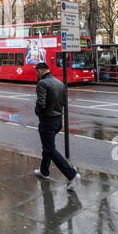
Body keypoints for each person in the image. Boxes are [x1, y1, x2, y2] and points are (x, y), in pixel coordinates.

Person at [34, 62, 80, 191]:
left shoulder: (42, 83)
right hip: (58, 121)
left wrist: (37, 111)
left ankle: (72, 175)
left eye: (37, 72)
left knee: (50, 149)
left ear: (40, 71)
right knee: (47, 147)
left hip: (47, 121)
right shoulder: (60, 83)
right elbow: (64, 103)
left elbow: (41, 103)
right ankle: (44, 171)